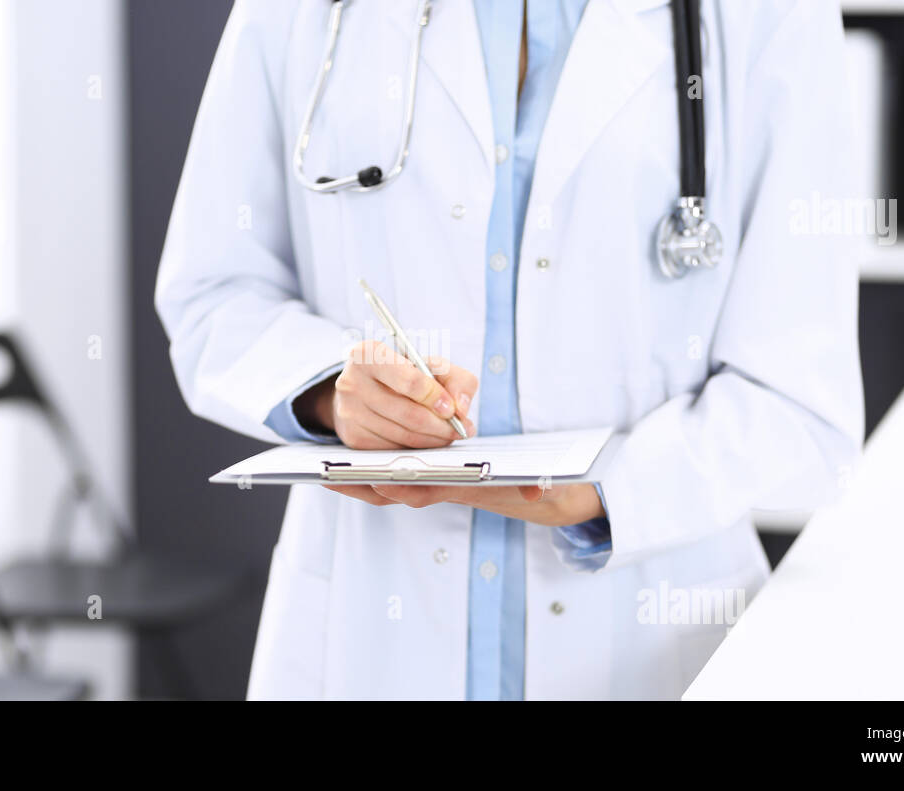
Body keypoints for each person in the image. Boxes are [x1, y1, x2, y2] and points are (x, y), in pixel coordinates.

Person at [155, 0, 863, 700]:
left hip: (651, 634)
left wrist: (608, 489)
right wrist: (330, 390)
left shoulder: (772, 14)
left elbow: (798, 393)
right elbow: (213, 291)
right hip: (370, 623)